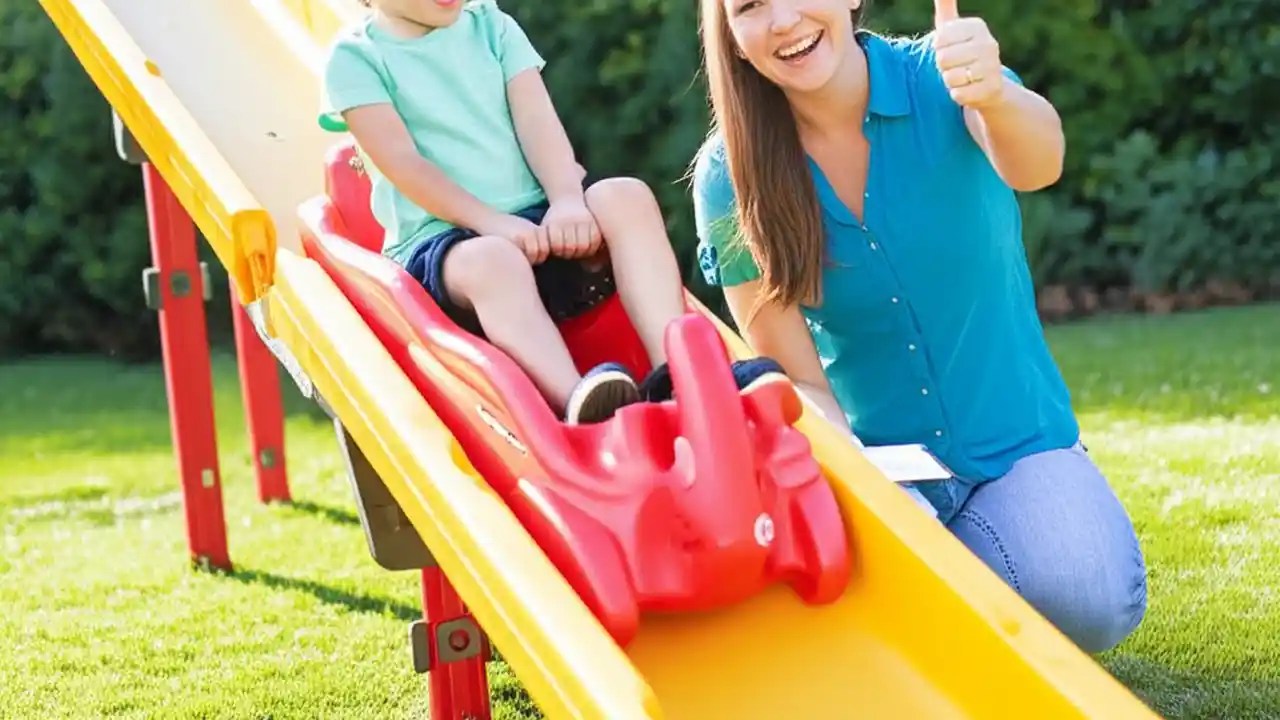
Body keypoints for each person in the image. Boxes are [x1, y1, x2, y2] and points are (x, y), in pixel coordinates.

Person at [691, 0, 1147, 653]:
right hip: (883, 468)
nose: (784, 20)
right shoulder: (727, 179)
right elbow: (797, 379)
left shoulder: (946, 76)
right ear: (732, 38)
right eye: (751, 7)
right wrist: (869, 493)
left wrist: (993, 97)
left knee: (1092, 594)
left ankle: (938, 594)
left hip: (1017, 447)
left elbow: (1039, 163)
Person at [319, 0, 781, 424]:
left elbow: (537, 121)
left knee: (626, 196)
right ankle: (578, 398)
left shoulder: (492, 27)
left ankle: (677, 370)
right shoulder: (357, 59)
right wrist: (490, 223)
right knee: (493, 260)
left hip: (536, 224)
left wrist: (565, 199)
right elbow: (402, 164)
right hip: (445, 245)